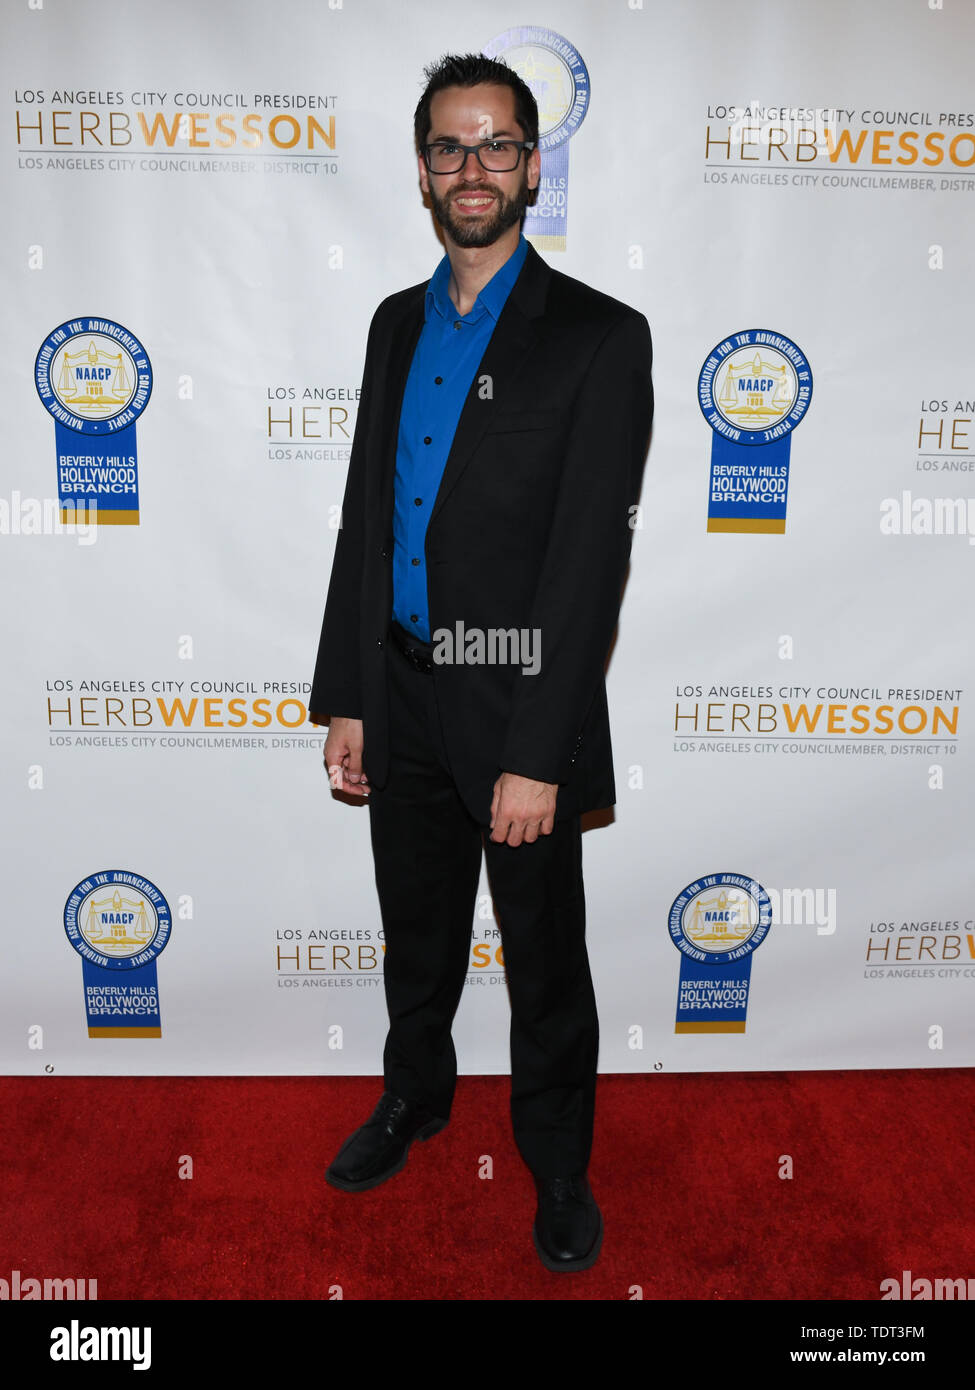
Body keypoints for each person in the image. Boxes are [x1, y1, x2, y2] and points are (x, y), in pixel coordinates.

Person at [310, 52, 653, 1273]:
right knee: (417, 932)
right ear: (421, 169)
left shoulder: (603, 339)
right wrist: (347, 693)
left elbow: (583, 573)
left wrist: (535, 752)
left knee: (544, 955)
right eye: (449, 147)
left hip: (516, 696)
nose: (473, 168)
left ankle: (559, 1162)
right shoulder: (394, 324)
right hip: (396, 685)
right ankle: (417, 1095)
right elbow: (367, 519)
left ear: (531, 164)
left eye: (497, 144)